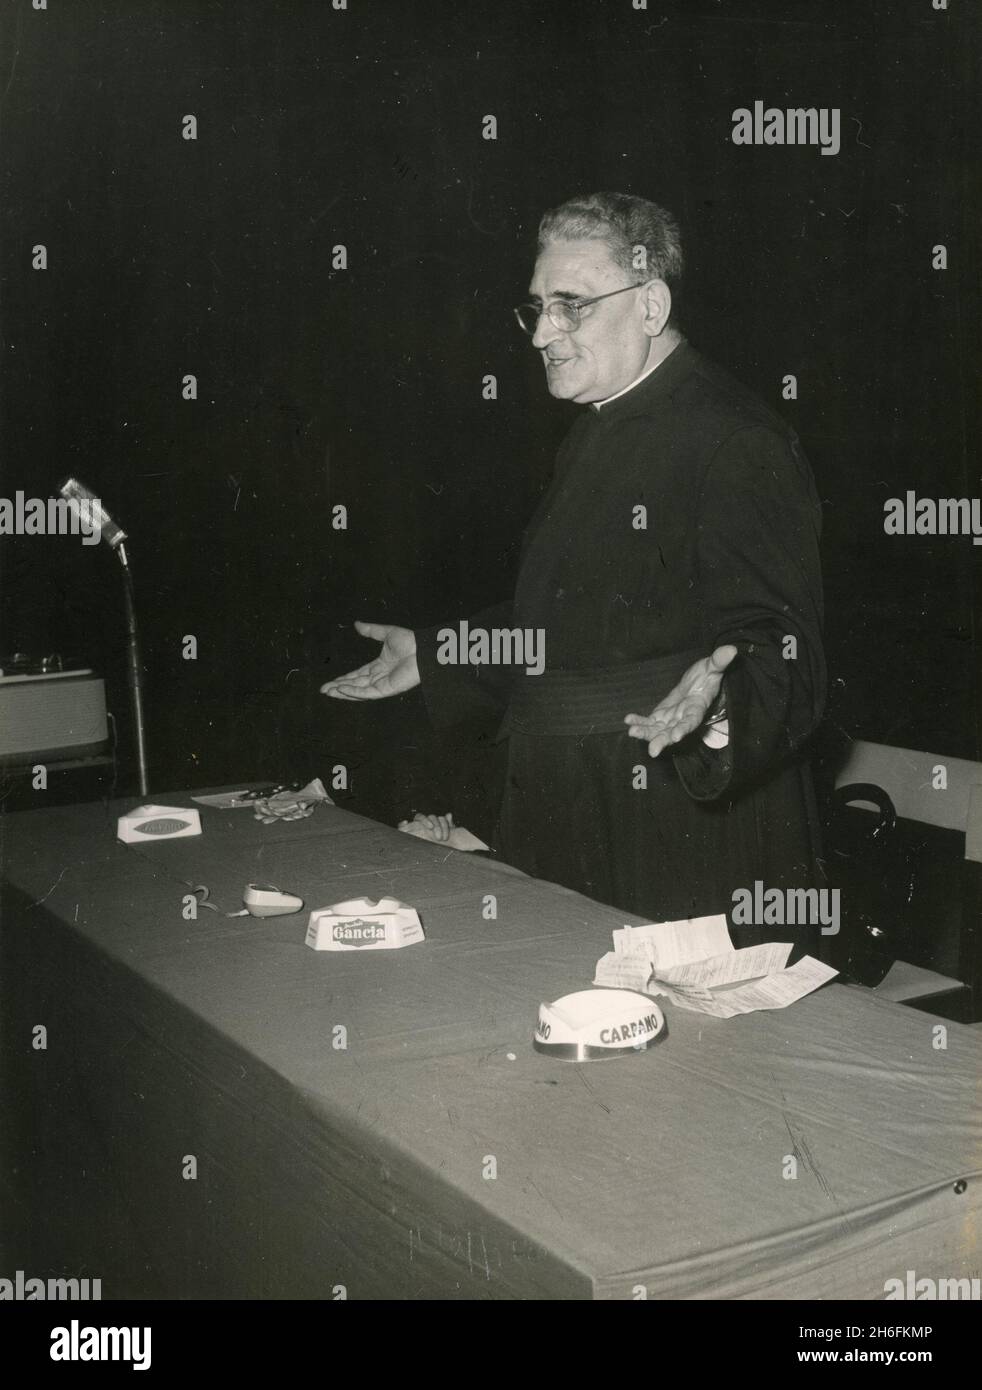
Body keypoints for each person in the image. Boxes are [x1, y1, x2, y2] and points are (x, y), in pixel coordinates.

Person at [322, 192, 826, 953]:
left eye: (572, 307)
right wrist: (436, 653)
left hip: (675, 834)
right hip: (568, 819)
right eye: (536, 309)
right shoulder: (592, 433)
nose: (542, 336)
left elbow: (786, 653)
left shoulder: (734, 440)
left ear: (650, 304)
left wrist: (722, 707)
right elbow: (574, 632)